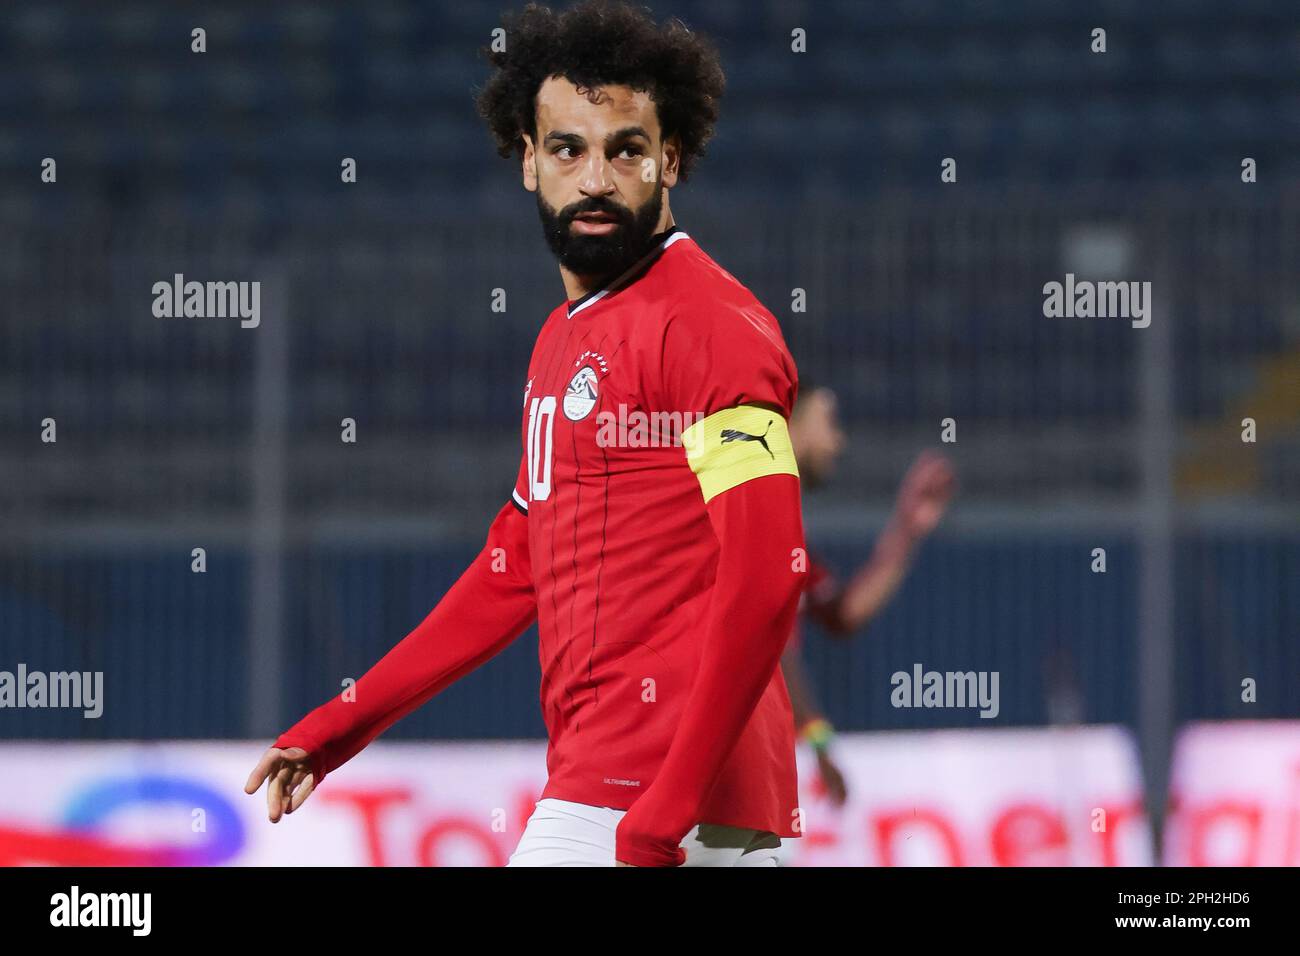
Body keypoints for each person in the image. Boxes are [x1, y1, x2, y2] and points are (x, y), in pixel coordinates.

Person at [246, 0, 807, 868]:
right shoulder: (565, 337)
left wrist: (668, 801)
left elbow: (768, 576)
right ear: (527, 162)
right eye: (566, 149)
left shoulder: (712, 326)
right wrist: (338, 728)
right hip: (652, 805)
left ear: (671, 159)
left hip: (649, 803)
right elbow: (514, 568)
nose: (594, 177)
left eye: (625, 149)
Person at [781, 383, 956, 805]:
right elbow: (770, 650)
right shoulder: (749, 519)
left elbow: (843, 613)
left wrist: (906, 530)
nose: (839, 442)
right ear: (788, 424)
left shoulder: (788, 533)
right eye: (829, 423)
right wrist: (820, 744)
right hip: (728, 767)